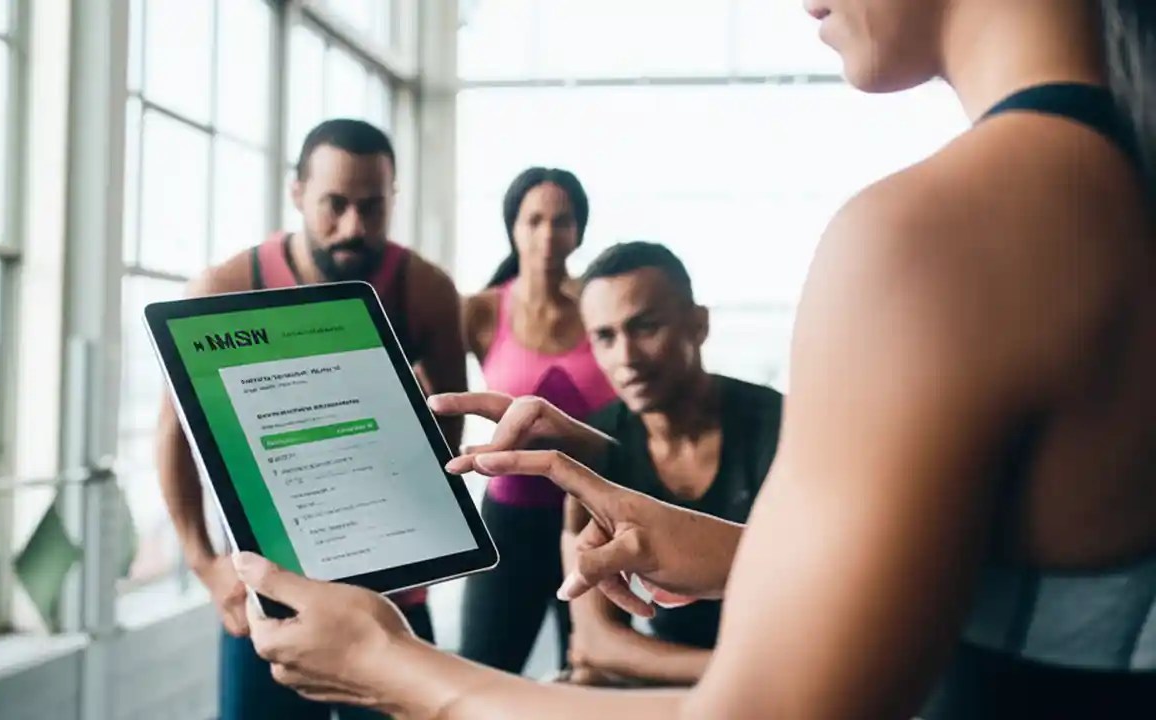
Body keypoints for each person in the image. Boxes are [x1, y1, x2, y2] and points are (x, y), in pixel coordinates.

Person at [231, 1, 1156, 718]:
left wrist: (390, 667)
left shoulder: (939, 236)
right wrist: (755, 557)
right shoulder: (1110, 184)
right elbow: (1046, 606)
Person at [154, 118, 467, 720]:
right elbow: (174, 434)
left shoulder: (424, 290)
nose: (354, 226)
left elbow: (450, 416)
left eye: (373, 208)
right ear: (298, 193)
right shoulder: (223, 287)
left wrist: (426, 528)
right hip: (269, 587)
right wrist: (206, 566)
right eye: (335, 205)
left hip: (390, 586)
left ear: (393, 200)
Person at [558, 241, 782, 688]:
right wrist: (730, 676)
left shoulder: (782, 428)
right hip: (716, 672)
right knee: (577, 681)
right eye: (605, 337)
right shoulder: (594, 445)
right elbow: (595, 641)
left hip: (787, 664)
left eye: (645, 328)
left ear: (698, 324)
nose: (626, 358)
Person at [456, 167, 616, 674]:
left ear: (580, 231)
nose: (548, 235)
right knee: (484, 671)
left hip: (595, 518)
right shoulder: (479, 311)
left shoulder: (601, 309)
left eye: (563, 221)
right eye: (535, 220)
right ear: (513, 227)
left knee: (592, 677)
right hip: (509, 521)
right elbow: (422, 387)